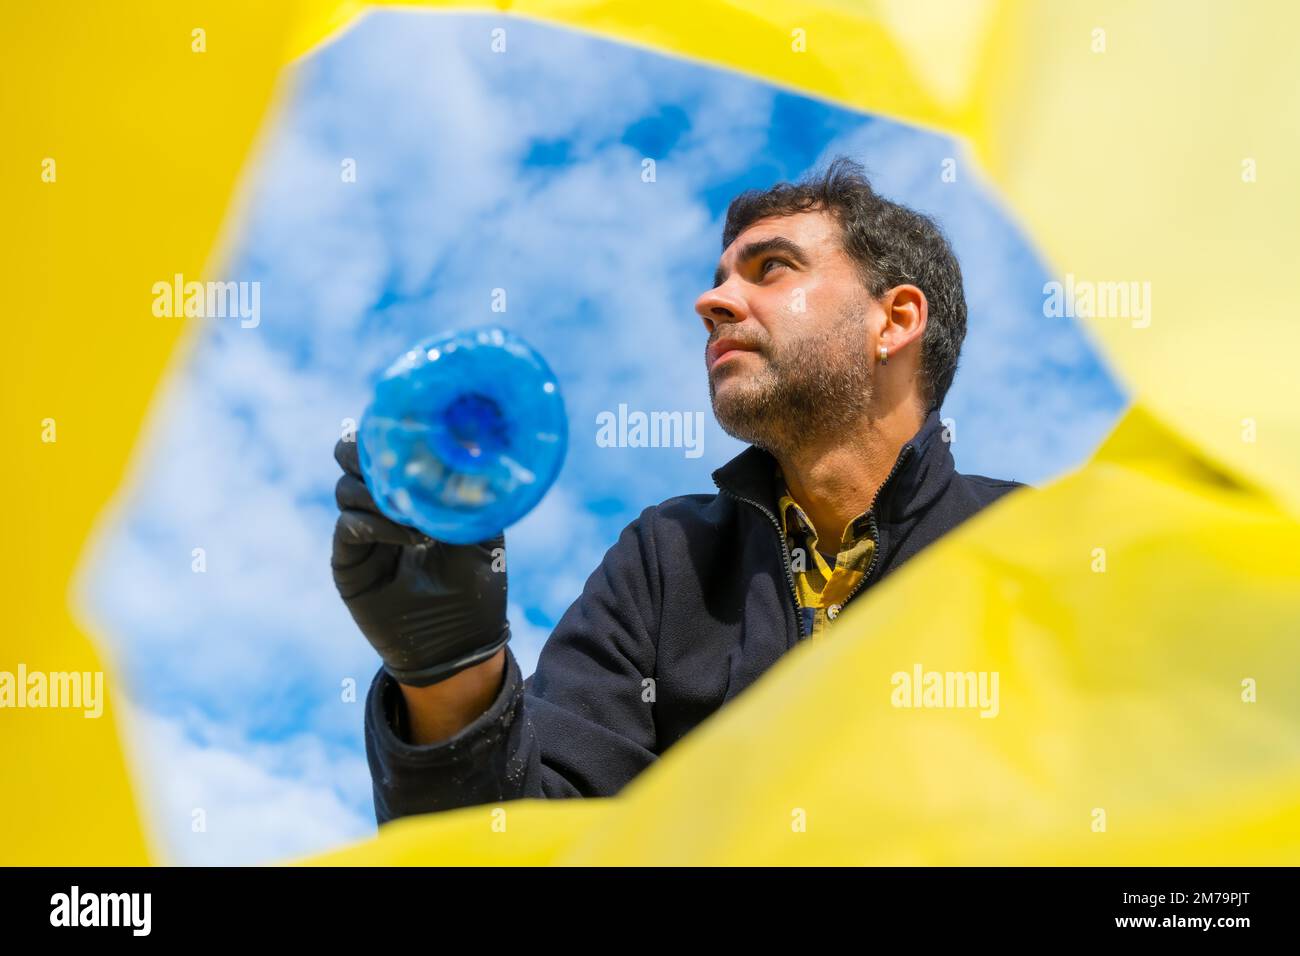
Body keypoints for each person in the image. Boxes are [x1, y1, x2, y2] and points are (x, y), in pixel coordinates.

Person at [331, 156, 1026, 824]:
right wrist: (448, 675)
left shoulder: (1030, 549)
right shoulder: (666, 563)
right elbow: (537, 846)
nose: (711, 301)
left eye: (771, 268)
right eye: (721, 277)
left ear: (895, 320)